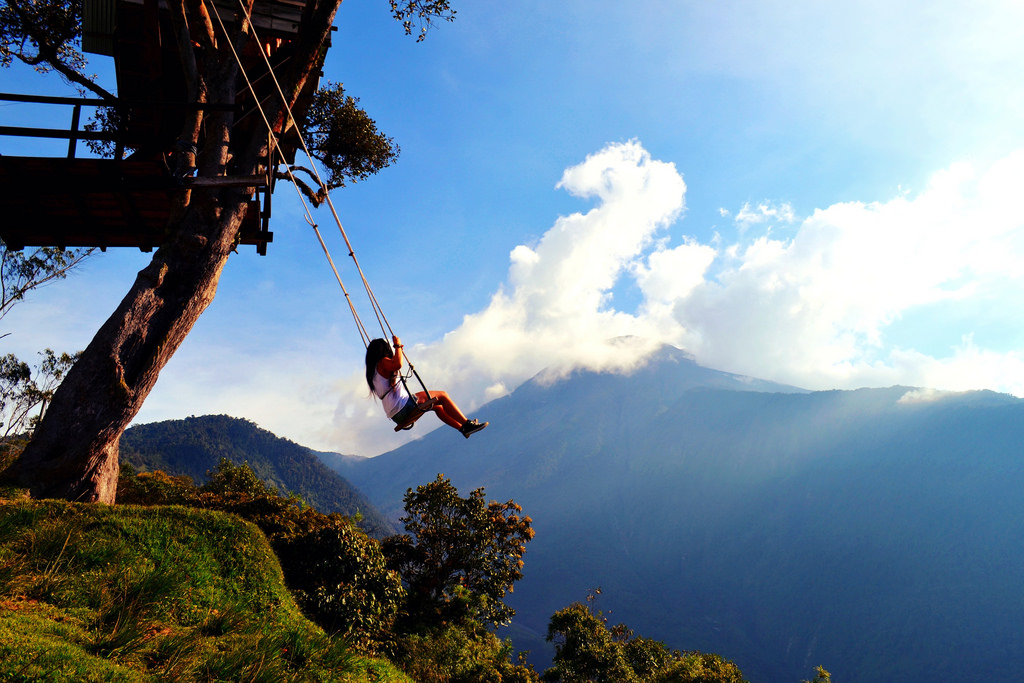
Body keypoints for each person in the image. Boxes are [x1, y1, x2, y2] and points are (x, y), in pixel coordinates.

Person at [365, 335, 488, 438]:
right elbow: (398, 364)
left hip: (396, 415)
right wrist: (397, 346)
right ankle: (467, 424)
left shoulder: (373, 372)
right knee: (443, 395)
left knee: (438, 407)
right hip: (403, 406)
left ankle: (462, 429)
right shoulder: (382, 362)